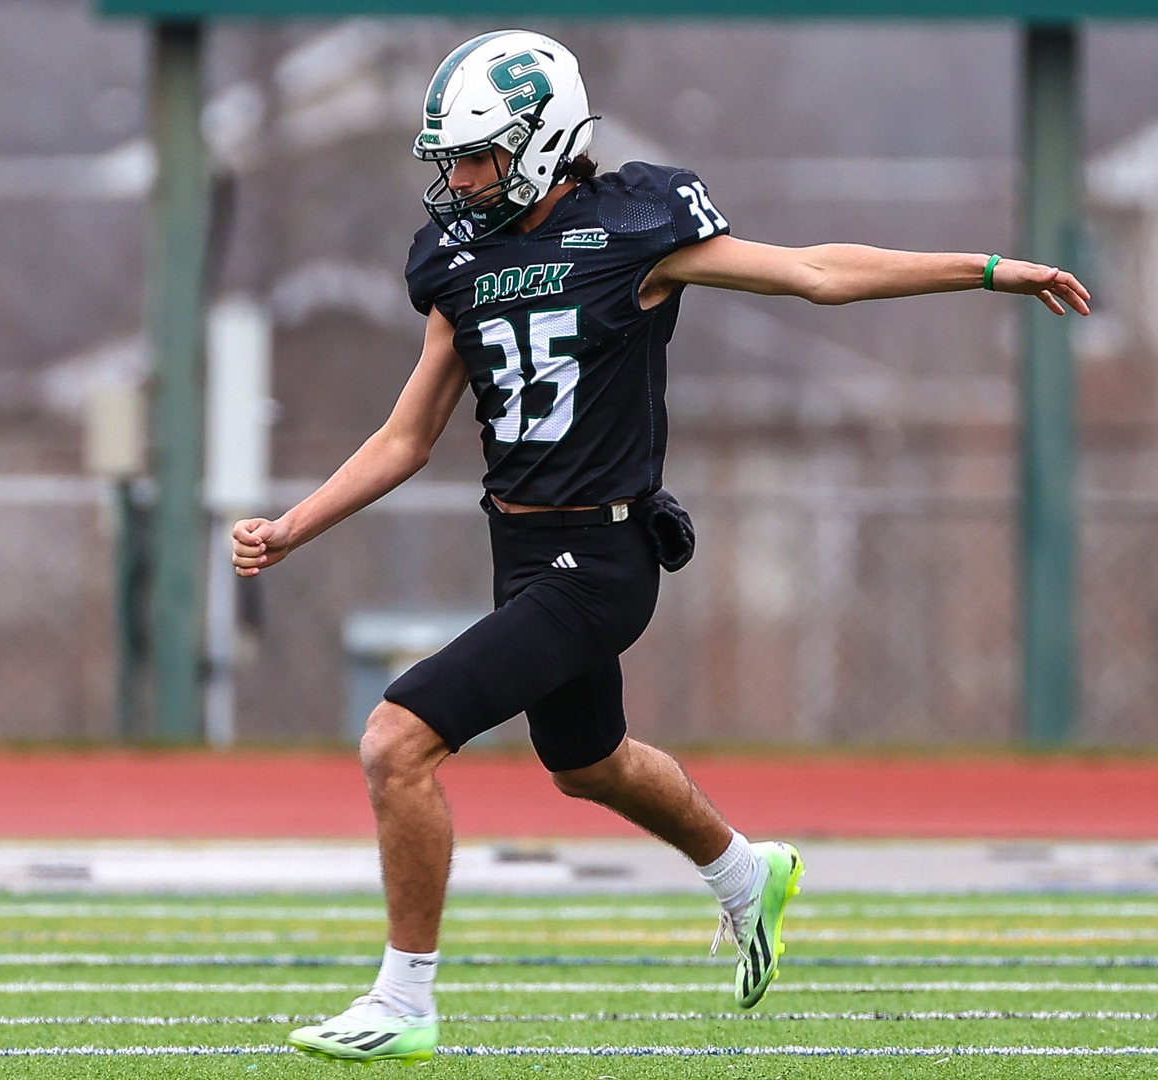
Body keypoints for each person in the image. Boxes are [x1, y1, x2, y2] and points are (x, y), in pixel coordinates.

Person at [231, 29, 1092, 1065]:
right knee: (588, 763)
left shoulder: (635, 227)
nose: (458, 181)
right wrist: (293, 525)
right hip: (522, 554)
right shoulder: (458, 263)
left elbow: (815, 271)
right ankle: (744, 872)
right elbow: (407, 436)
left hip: (599, 565)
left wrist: (986, 269)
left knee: (396, 741)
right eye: (451, 160)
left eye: (477, 157)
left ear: (544, 142)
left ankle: (405, 1000)